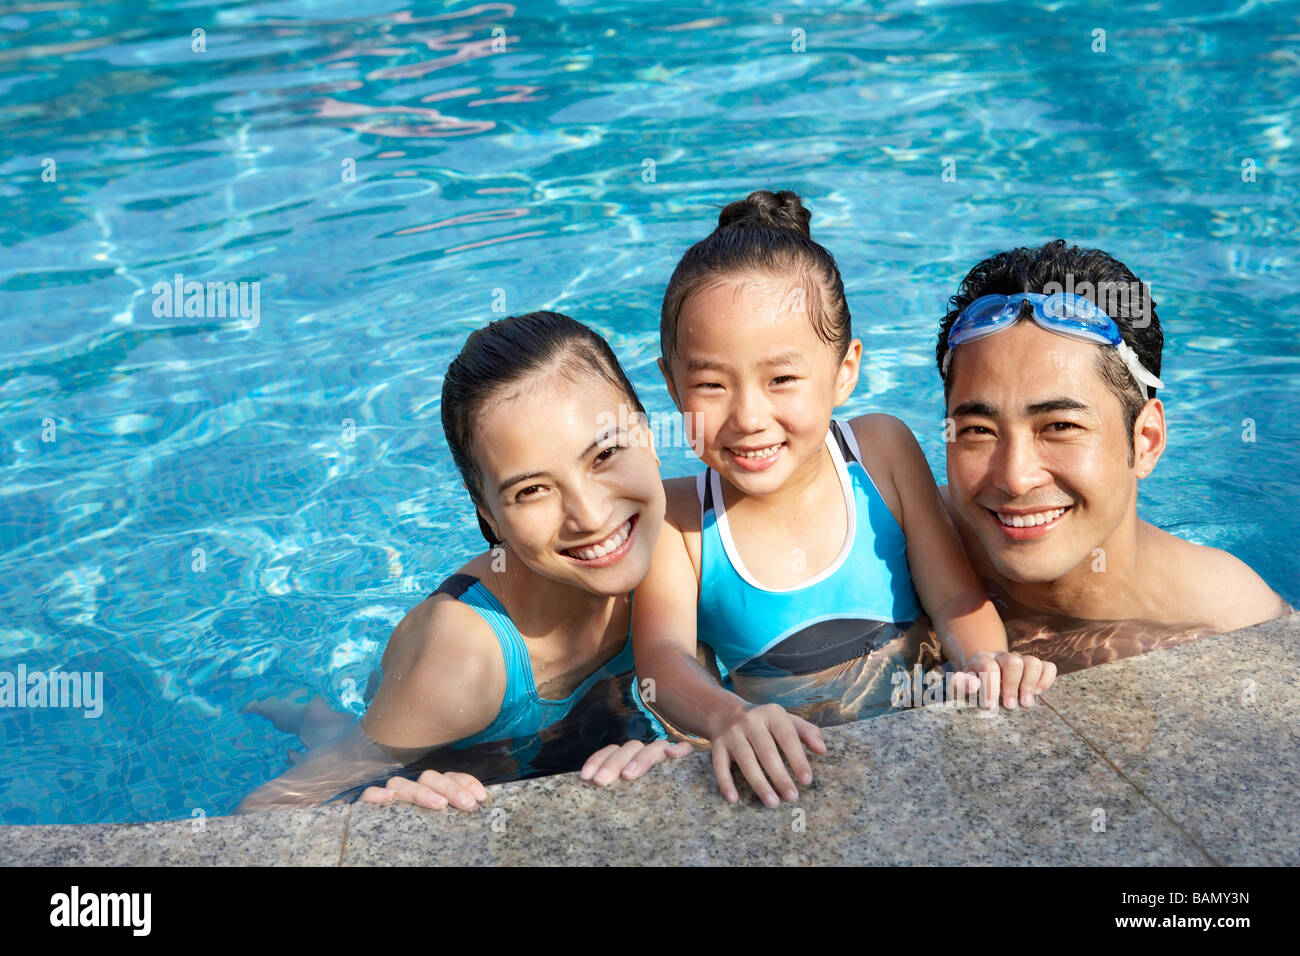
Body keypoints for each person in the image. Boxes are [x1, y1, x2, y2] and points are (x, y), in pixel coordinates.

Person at [630, 190, 1056, 809]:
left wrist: (988, 662)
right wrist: (727, 718)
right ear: (670, 383)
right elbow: (663, 667)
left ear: (844, 371)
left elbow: (954, 596)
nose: (749, 418)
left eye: (782, 379)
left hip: (929, 740)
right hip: (791, 776)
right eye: (711, 385)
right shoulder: (679, 521)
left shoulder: (880, 453)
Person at [238, 312, 690, 812]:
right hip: (469, 746)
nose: (591, 516)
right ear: (489, 516)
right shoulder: (461, 664)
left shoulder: (680, 532)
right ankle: (318, 722)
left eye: (604, 454)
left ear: (648, 438)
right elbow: (257, 818)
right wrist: (364, 811)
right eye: (532, 490)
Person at [935, 239, 1290, 671]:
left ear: (1146, 441)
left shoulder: (1230, 616)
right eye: (979, 430)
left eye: (1060, 426)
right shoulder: (909, 539)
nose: (1015, 478)